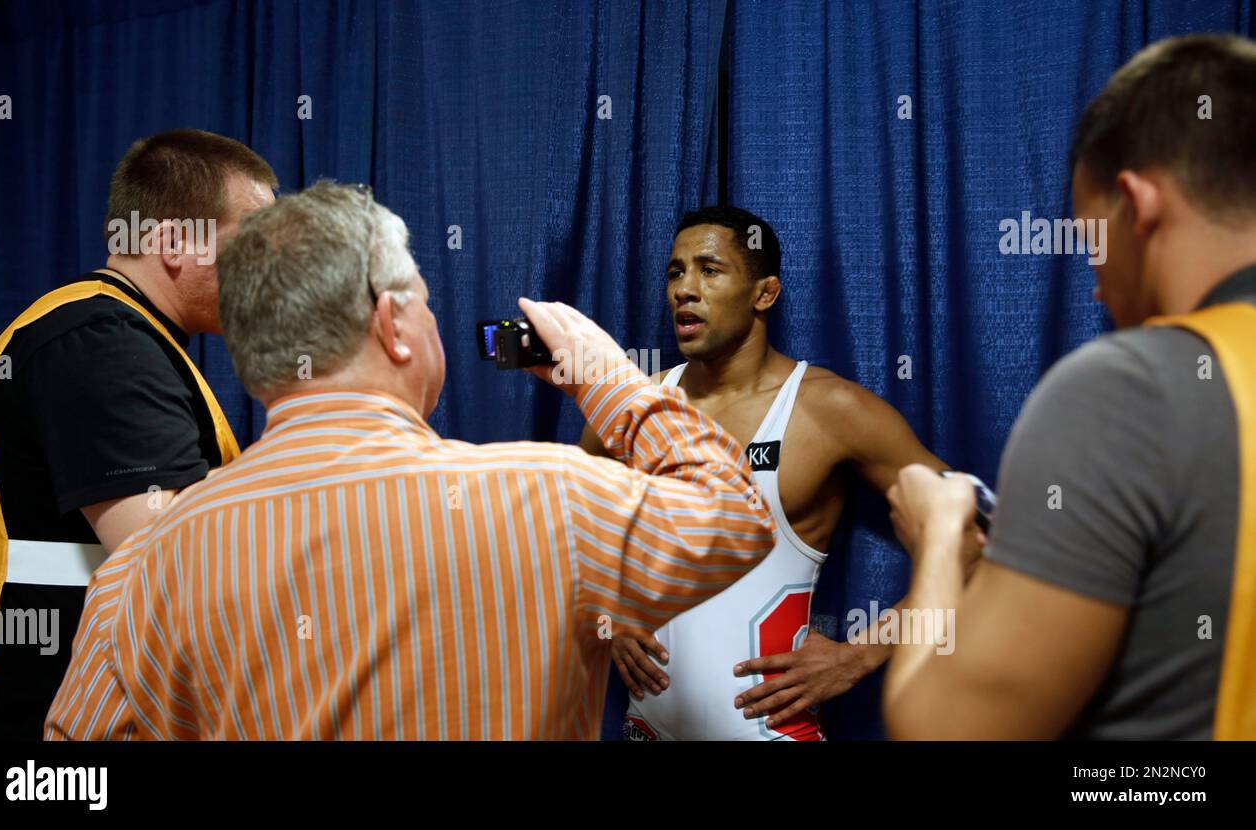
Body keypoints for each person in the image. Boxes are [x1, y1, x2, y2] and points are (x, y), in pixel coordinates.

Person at [44, 181, 776, 740]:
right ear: (392, 325)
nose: (430, 322)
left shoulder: (140, 571)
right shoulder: (554, 501)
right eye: (423, 304)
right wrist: (606, 375)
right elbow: (734, 515)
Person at [884, 33, 1256, 740]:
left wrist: (938, 537)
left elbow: (942, 732)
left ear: (1136, 203)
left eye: (1093, 241)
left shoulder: (1131, 390)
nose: (1093, 283)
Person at [582, 206, 954, 740]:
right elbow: (566, 528)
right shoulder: (633, 409)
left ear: (765, 294)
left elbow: (974, 538)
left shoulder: (828, 411)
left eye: (709, 270)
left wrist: (862, 654)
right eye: (675, 272)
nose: (685, 289)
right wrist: (610, 612)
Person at [0, 128, 276, 739]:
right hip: (39, 721)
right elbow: (174, 565)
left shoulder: (129, 338)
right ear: (174, 244)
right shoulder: (99, 343)